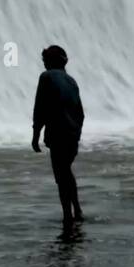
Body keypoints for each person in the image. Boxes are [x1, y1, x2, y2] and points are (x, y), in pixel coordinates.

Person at [32, 45, 85, 223]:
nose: (44, 64)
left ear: (51, 61)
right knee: (66, 172)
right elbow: (80, 113)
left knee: (61, 177)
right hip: (72, 134)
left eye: (45, 60)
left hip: (58, 134)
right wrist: (77, 133)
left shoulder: (46, 77)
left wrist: (35, 135)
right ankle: (76, 210)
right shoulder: (72, 81)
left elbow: (40, 108)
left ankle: (67, 215)